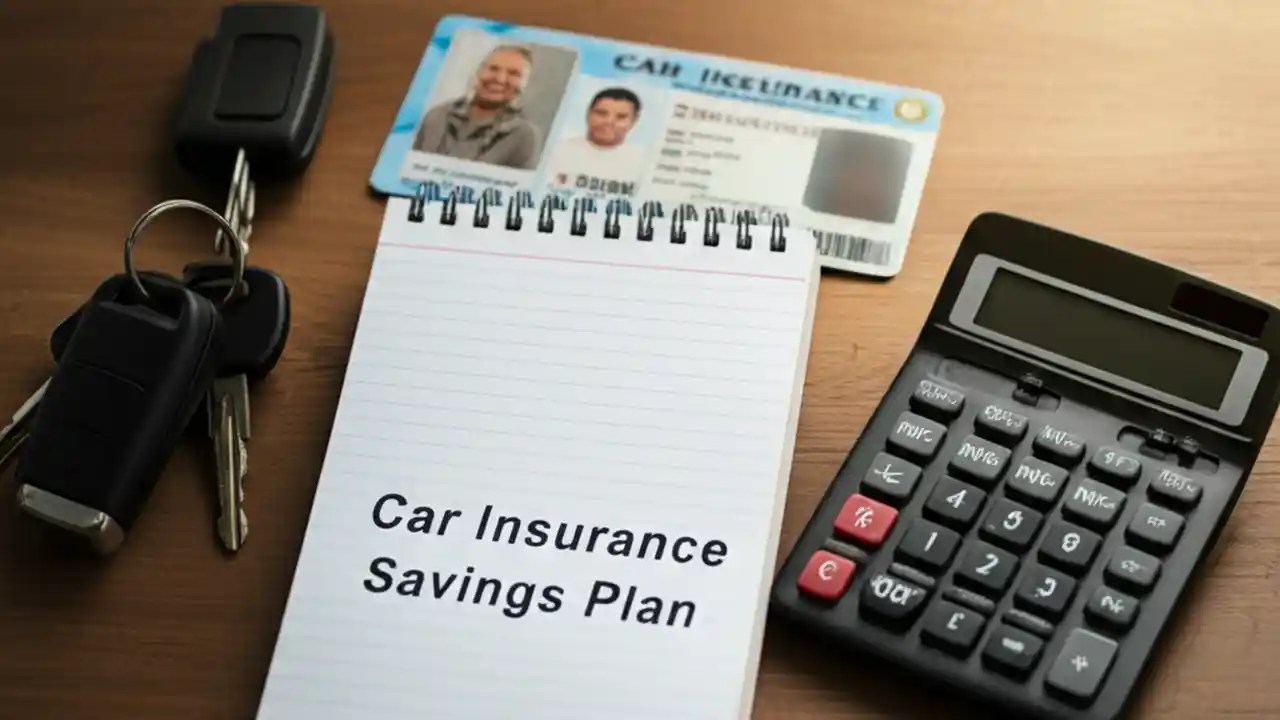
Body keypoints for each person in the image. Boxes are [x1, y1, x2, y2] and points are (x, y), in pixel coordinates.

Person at [413, 45, 542, 169]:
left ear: (524, 84)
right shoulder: (437, 116)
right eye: (493, 69)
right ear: (478, 72)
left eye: (514, 74)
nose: (500, 79)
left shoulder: (525, 136)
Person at [550, 87, 647, 194]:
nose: (608, 122)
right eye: (601, 113)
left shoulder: (644, 164)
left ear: (634, 121)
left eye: (621, 117)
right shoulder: (555, 151)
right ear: (588, 113)